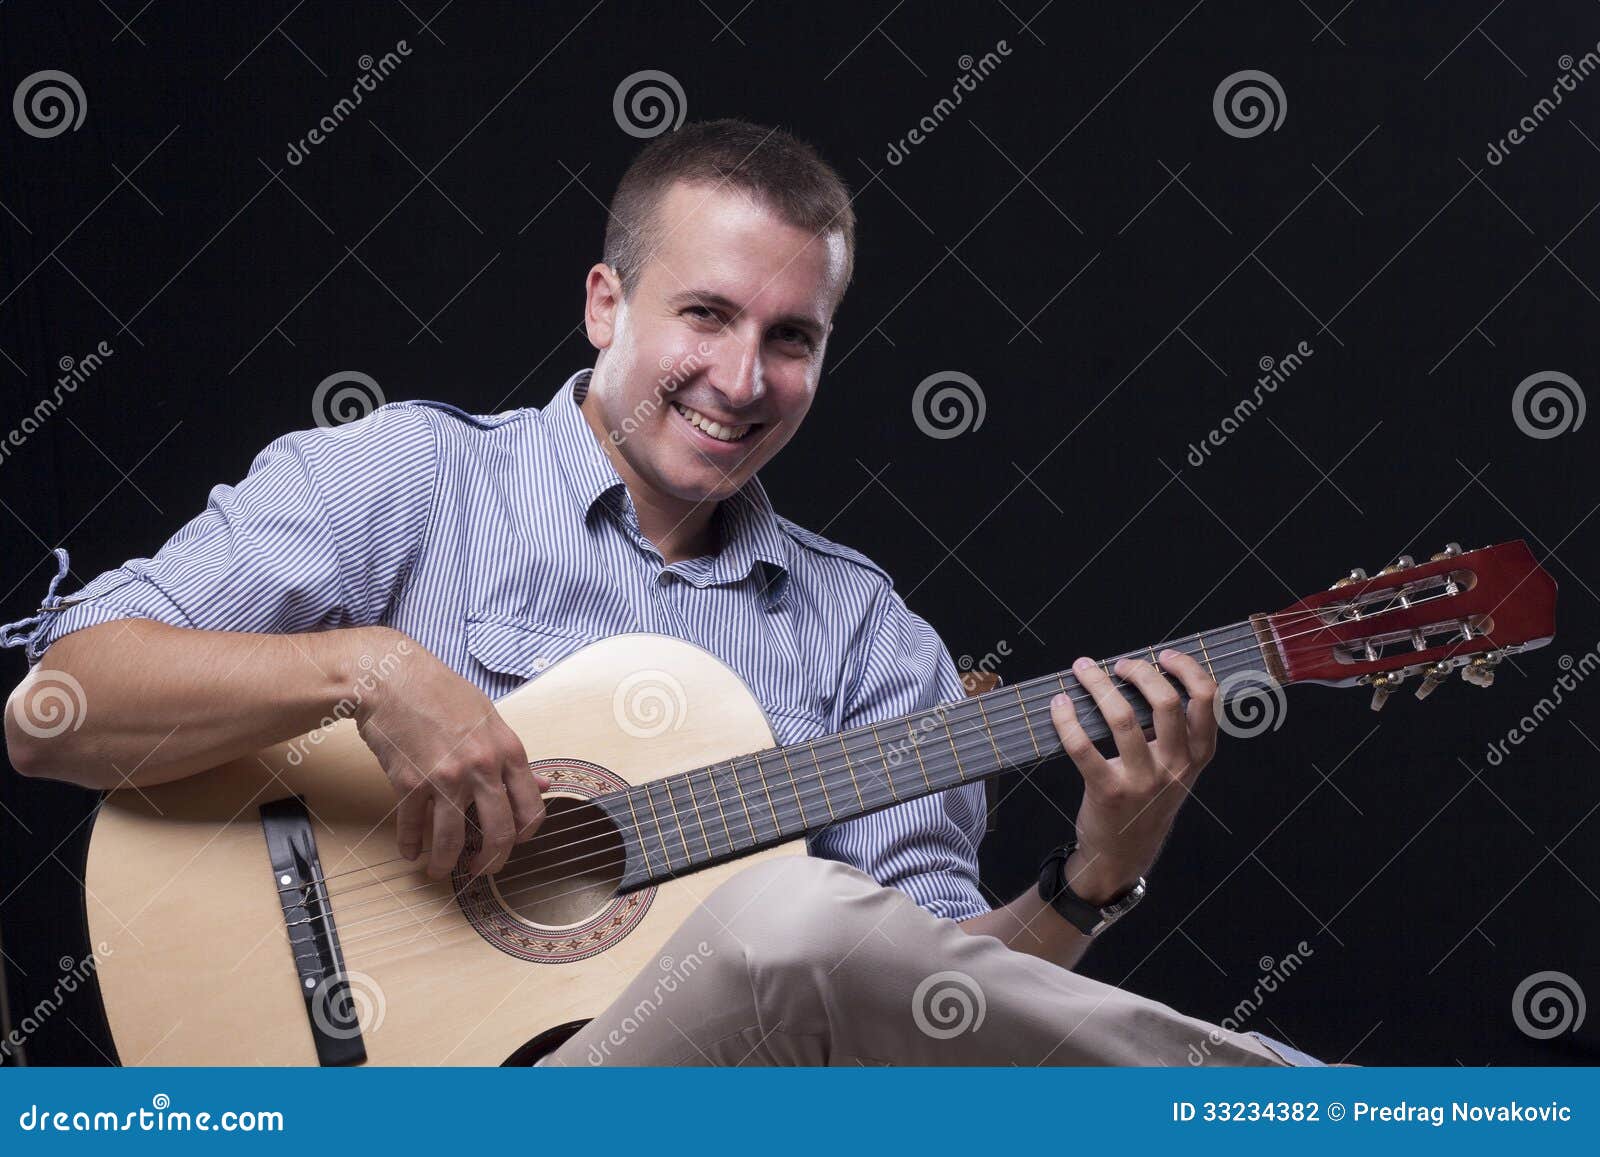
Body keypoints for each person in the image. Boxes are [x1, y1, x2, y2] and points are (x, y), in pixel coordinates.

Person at [3, 118, 1324, 1067]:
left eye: (791, 337)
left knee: (798, 921)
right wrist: (369, 670)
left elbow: (916, 1023)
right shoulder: (405, 479)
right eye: (706, 315)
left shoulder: (869, 636)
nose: (742, 379)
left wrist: (1093, 877)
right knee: (786, 910)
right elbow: (52, 712)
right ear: (605, 304)